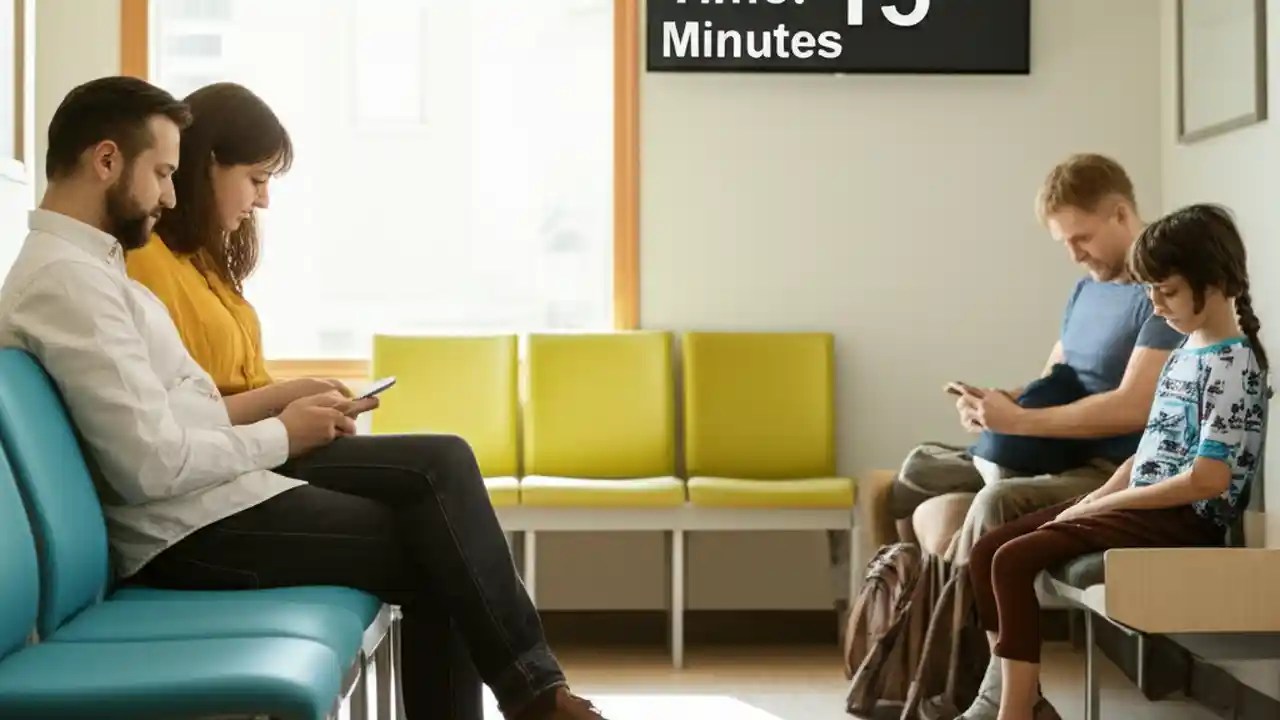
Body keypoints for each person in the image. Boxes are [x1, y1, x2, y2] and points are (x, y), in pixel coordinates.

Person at [0, 76, 606, 720]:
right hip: (183, 532)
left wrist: (283, 415)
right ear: (106, 161)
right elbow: (151, 466)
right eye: (161, 173)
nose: (170, 195)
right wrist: (284, 435)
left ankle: (537, 694)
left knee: (444, 480)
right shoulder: (69, 282)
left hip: (204, 505)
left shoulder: (92, 270)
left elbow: (180, 417)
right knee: (445, 552)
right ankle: (538, 696)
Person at [963, 203, 1269, 720]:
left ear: (1214, 282)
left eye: (1166, 292)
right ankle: (1028, 703)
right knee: (989, 549)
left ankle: (1014, 712)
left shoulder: (1233, 365)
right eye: (1149, 291)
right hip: (1142, 505)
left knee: (1011, 560)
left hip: (1179, 519)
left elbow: (1206, 479)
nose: (1155, 306)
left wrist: (1108, 506)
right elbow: (1146, 454)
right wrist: (1093, 499)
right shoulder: (1186, 350)